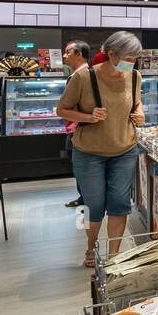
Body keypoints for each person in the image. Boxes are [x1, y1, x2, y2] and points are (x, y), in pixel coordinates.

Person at [55, 30, 145, 267]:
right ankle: (91, 246)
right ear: (111, 54)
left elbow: (136, 101)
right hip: (88, 152)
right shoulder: (84, 78)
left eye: (135, 59)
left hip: (125, 149)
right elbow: (61, 110)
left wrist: (140, 112)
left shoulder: (135, 76)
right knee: (92, 204)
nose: (132, 63)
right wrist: (88, 116)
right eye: (128, 58)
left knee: (120, 203)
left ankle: (114, 256)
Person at [61, 40, 91, 208]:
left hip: (78, 128)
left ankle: (87, 200)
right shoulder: (85, 73)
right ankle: (85, 198)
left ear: (79, 54)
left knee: (80, 166)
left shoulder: (80, 76)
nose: (64, 56)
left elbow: (67, 107)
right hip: (78, 126)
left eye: (68, 52)